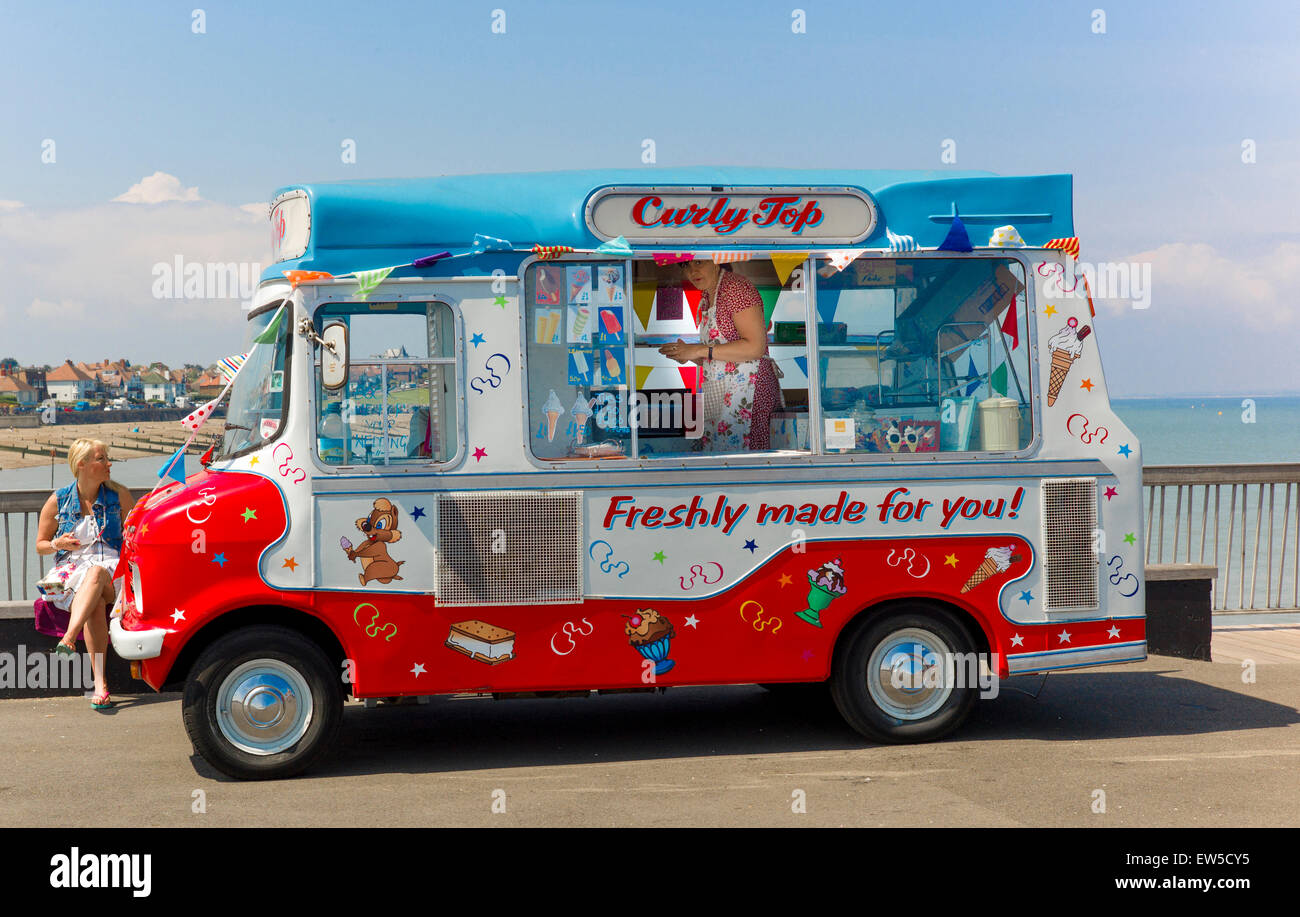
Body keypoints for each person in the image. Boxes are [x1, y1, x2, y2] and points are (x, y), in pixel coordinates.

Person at [35, 438, 135, 709]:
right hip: (73, 575)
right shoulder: (58, 500)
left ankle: (69, 638)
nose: (109, 464)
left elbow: (135, 537)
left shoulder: (119, 496)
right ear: (82, 464)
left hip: (112, 573)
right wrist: (58, 543)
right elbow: (40, 545)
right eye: (101, 459)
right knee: (94, 602)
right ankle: (101, 685)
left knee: (96, 572)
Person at [659, 259, 780, 451]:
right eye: (686, 265)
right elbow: (720, 357)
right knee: (723, 459)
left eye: (699, 262)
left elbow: (755, 347)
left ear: (716, 261)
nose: (692, 271)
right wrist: (688, 354)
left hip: (750, 394)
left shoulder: (736, 288)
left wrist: (698, 350)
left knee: (747, 462)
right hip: (723, 395)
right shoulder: (708, 295)